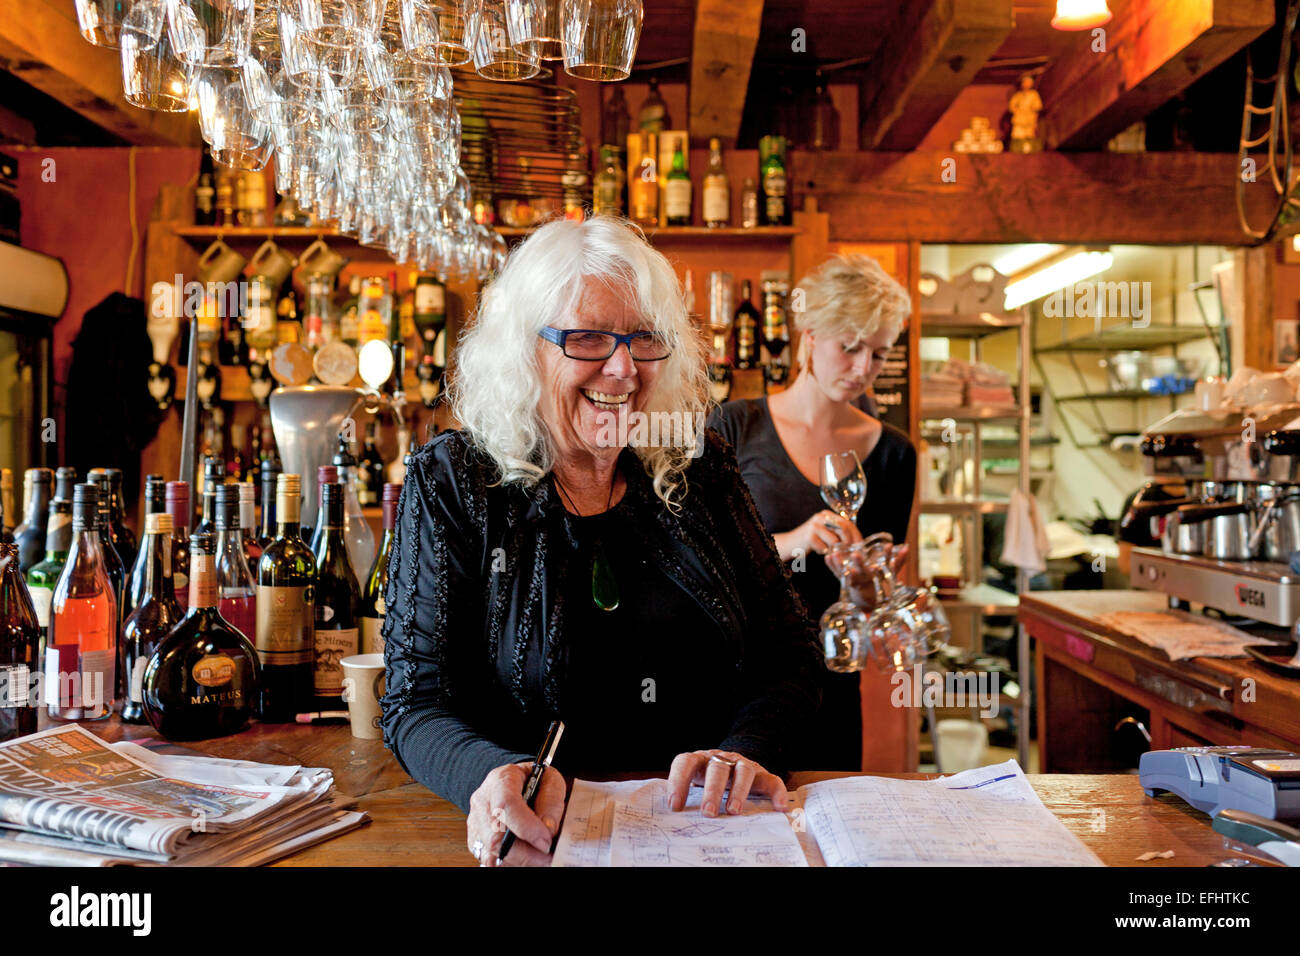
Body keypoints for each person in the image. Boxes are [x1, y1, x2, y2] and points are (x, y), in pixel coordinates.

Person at [380, 217, 822, 866]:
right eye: (587, 338)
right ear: (527, 349)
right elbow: (414, 701)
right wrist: (491, 775)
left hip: (707, 837)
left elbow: (790, 649)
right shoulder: (455, 482)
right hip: (539, 844)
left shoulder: (702, 468)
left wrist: (749, 748)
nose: (622, 369)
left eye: (643, 339)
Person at [708, 253, 917, 770]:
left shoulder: (894, 453)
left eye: (879, 354)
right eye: (850, 348)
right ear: (810, 336)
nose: (863, 369)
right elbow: (702, 563)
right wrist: (795, 540)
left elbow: (869, 603)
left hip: (829, 682)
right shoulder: (732, 427)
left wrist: (869, 581)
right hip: (736, 680)